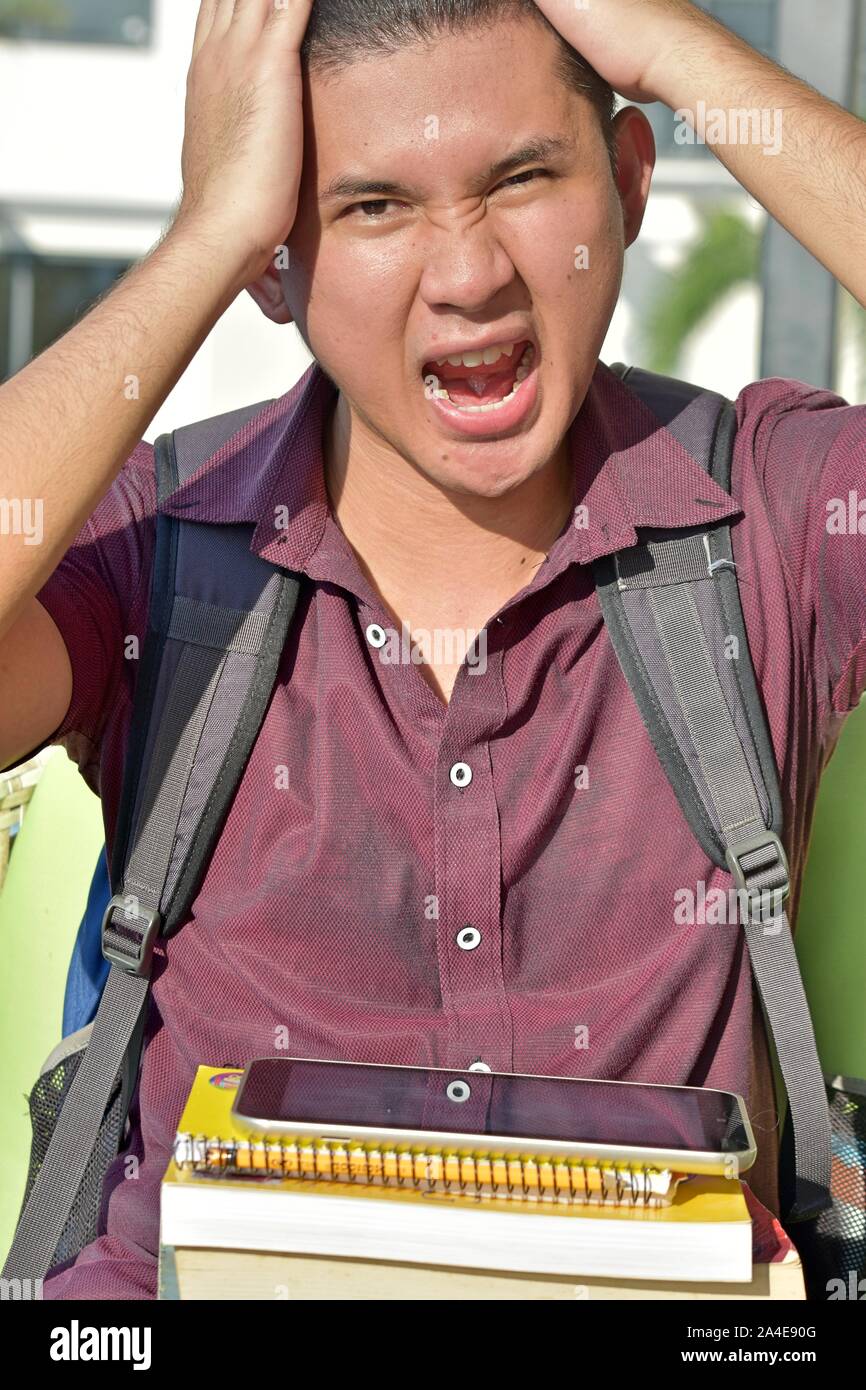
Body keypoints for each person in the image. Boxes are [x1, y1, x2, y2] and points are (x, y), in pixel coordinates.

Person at [0, 0, 864, 1301]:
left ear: (628, 183)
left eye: (522, 177)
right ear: (277, 264)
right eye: (371, 209)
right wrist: (206, 238)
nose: (466, 275)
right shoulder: (155, 537)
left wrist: (680, 51)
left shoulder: (772, 511)